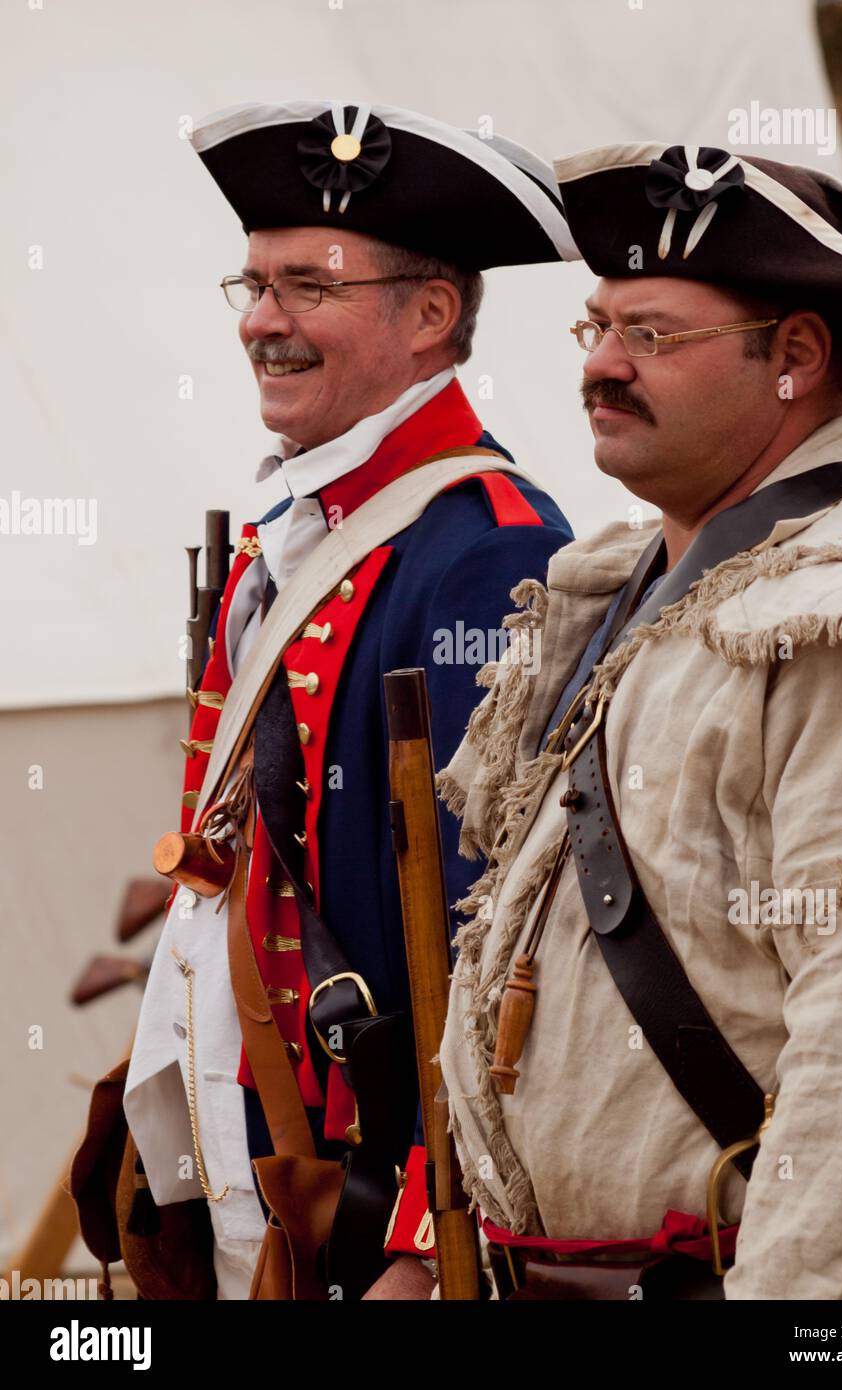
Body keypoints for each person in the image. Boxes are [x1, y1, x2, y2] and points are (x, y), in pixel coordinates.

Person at [437, 142, 842, 1300]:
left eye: (655, 337)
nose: (602, 367)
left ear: (794, 358)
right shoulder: (623, 584)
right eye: (596, 327)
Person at [112, 99, 575, 1300]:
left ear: (428, 316)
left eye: (306, 287)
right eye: (253, 286)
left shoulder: (483, 550)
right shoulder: (296, 529)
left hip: (381, 1189)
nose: (262, 322)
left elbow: (505, 934)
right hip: (263, 1141)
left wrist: (430, 1234)